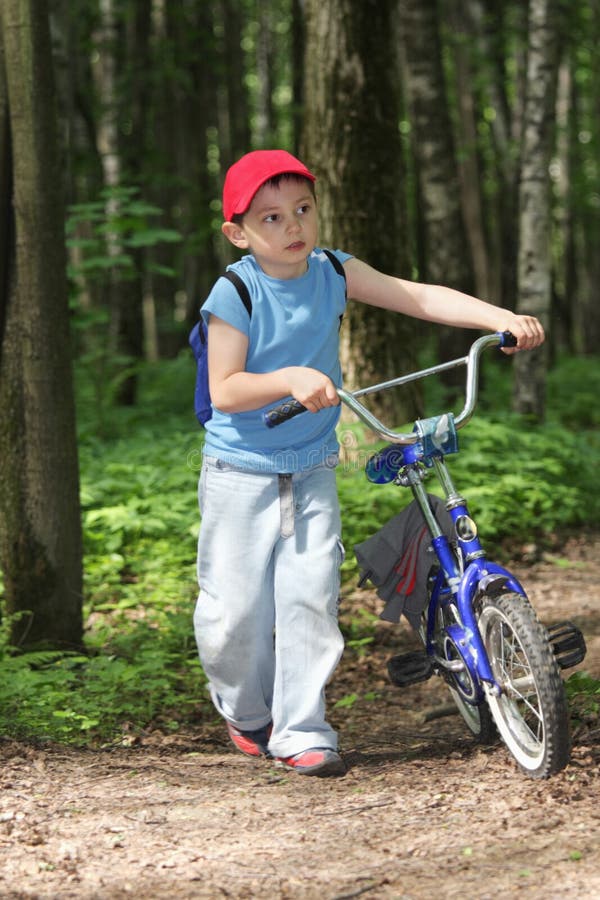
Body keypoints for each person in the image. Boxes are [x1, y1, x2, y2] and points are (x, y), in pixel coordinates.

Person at [193, 149, 544, 777]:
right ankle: (245, 710)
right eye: (271, 218)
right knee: (232, 617)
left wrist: (499, 319)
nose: (292, 227)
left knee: (309, 596)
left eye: (303, 209)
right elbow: (225, 388)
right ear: (238, 232)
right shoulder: (236, 290)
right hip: (239, 471)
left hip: (310, 466)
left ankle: (302, 728)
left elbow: (418, 296)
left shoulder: (332, 270)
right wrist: (291, 378)